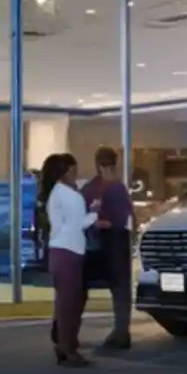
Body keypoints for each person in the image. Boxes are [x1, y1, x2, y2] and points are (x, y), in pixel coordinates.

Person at [41, 153, 104, 367]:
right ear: (67, 171)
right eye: (74, 170)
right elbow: (78, 224)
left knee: (64, 303)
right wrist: (95, 213)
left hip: (59, 251)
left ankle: (63, 345)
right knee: (71, 305)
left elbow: (66, 223)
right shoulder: (69, 195)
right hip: (69, 252)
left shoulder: (56, 193)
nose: (76, 175)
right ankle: (68, 348)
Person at [80, 146, 136, 350]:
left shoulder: (91, 187)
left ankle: (69, 331)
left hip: (95, 243)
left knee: (83, 287)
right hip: (115, 242)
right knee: (120, 288)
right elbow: (125, 218)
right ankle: (121, 331)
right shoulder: (117, 188)